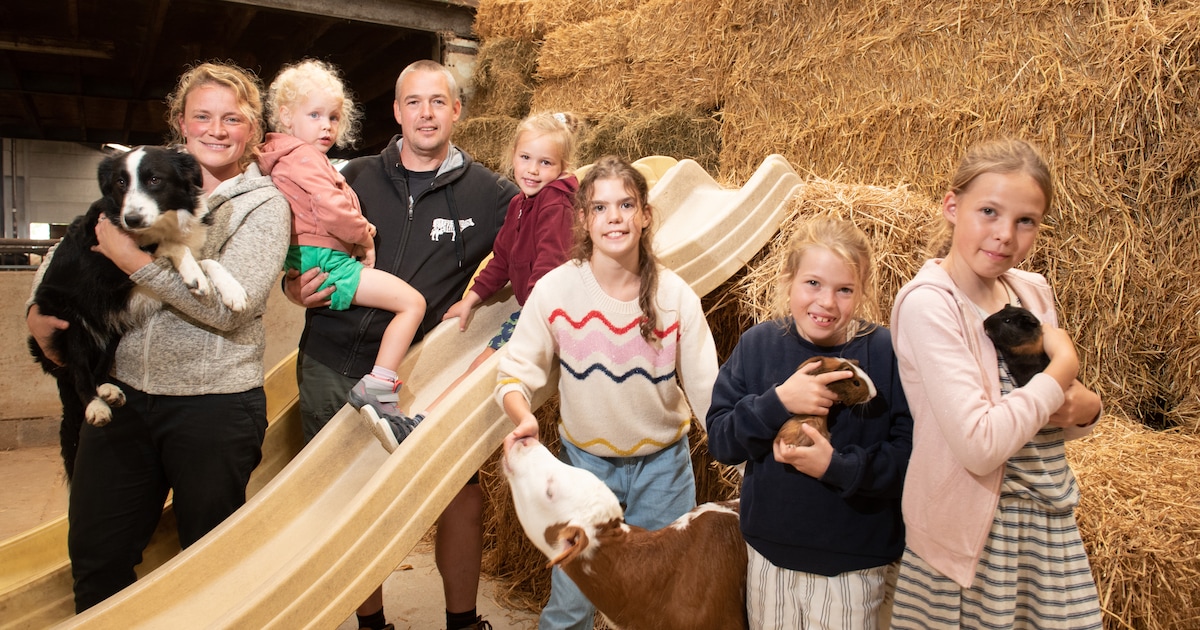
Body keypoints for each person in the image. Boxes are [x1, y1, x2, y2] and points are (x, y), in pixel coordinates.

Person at [26, 61, 291, 612]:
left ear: (253, 129)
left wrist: (132, 262)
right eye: (203, 116)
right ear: (181, 121)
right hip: (125, 398)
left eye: (232, 118)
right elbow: (70, 246)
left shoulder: (264, 205)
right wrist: (35, 308)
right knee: (97, 553)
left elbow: (228, 313)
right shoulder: (141, 177)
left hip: (213, 406)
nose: (217, 130)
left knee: (210, 559)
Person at [285, 59, 516, 630]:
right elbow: (294, 241)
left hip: (421, 373)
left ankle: (462, 622)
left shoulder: (490, 193)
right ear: (396, 111)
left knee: (460, 493)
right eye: (413, 102)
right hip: (331, 360)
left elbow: (544, 231)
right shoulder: (350, 176)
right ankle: (372, 624)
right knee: (348, 501)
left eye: (438, 101)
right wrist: (291, 286)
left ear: (457, 110)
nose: (426, 113)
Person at [887, 138, 1103, 629]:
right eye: (989, 211)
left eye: (1026, 220)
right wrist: (1065, 364)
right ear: (952, 206)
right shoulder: (930, 304)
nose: (1005, 234)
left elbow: (1053, 418)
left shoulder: (1030, 291)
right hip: (974, 540)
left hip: (1047, 526)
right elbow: (981, 446)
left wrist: (1089, 409)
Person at [497, 155, 719, 630]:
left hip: (664, 470)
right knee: (572, 603)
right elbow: (516, 371)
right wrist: (523, 417)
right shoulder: (557, 290)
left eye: (626, 204)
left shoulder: (676, 296)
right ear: (582, 219)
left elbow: (708, 393)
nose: (614, 217)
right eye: (599, 208)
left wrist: (747, 460)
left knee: (665, 598)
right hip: (585, 468)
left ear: (645, 215)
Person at [705, 218, 913, 629]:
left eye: (845, 290)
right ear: (787, 280)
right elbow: (721, 440)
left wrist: (835, 467)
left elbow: (908, 459)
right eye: (813, 284)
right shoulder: (758, 345)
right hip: (769, 557)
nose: (827, 303)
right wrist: (778, 401)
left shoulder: (886, 352)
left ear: (864, 290)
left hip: (853, 565)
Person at [369, 111, 581, 447]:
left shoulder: (555, 205)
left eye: (545, 163)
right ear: (513, 156)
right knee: (477, 366)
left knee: (482, 370)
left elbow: (550, 267)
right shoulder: (519, 204)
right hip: (535, 311)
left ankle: (420, 427)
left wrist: (536, 319)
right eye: (525, 158)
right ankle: (420, 423)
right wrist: (471, 299)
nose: (532, 169)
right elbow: (502, 259)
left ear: (562, 168)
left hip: (550, 315)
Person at [259, 59, 426, 442]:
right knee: (412, 304)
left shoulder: (284, 157)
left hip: (313, 259)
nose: (326, 126)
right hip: (328, 262)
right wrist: (364, 236)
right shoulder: (303, 158)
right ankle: (380, 387)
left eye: (333, 117)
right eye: (314, 114)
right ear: (285, 116)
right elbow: (331, 208)